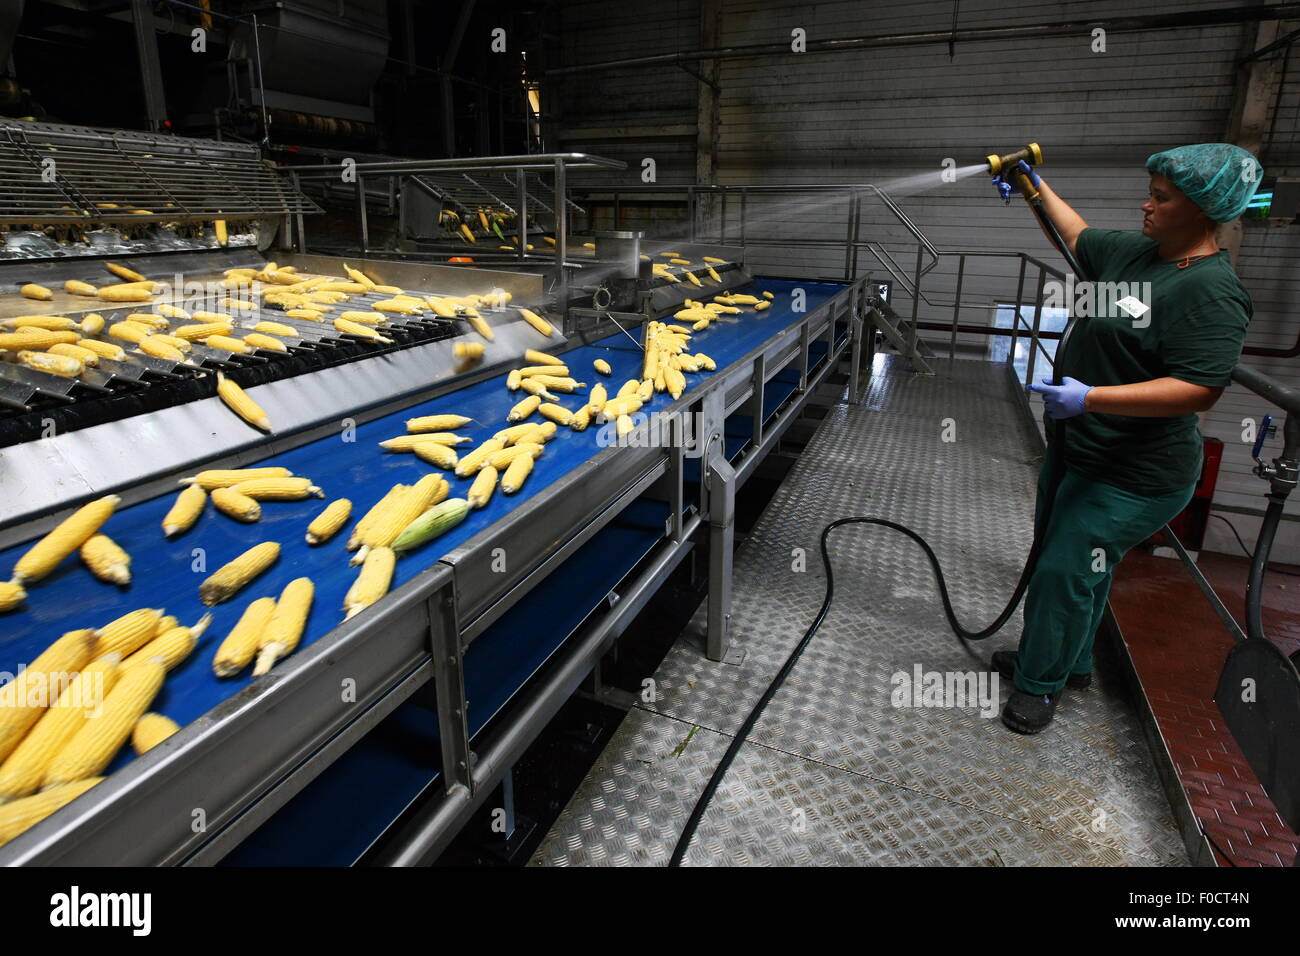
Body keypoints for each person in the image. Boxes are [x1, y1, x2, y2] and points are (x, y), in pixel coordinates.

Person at [991, 143, 1261, 733]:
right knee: (1080, 564)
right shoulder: (1139, 255)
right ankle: (1069, 662)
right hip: (1081, 450)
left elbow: (1197, 388)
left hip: (1136, 472)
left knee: (1064, 569)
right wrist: (1033, 186)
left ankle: (1038, 685)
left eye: (1161, 199)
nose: (1146, 205)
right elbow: (1077, 234)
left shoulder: (1211, 291)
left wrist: (1090, 397)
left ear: (1202, 211)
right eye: (1150, 193)